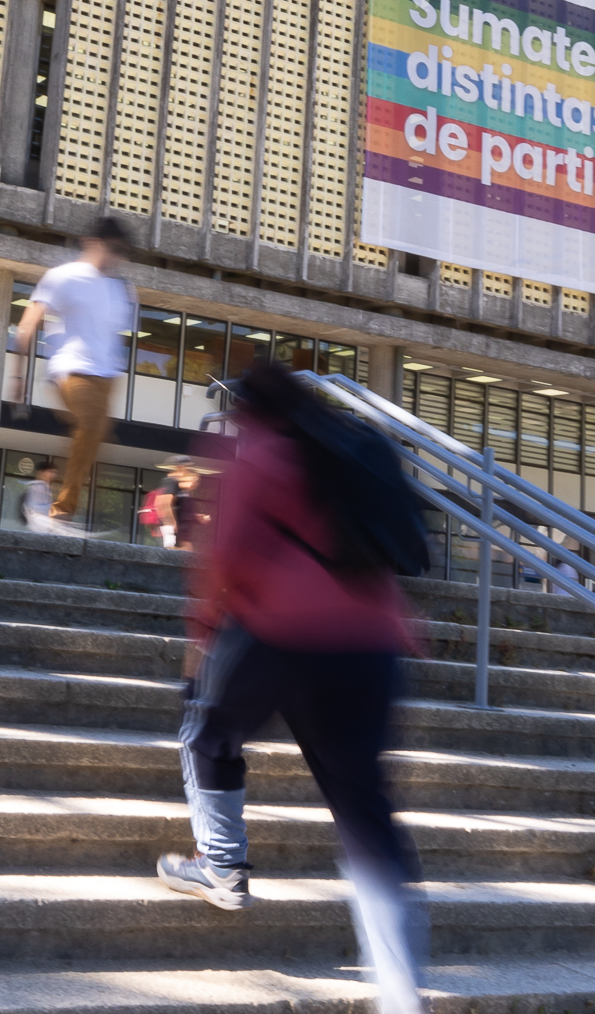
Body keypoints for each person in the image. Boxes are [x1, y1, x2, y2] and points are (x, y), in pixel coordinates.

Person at [158, 359, 425, 1012]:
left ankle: (220, 865)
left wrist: (202, 634)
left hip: (282, 635)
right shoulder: (347, 448)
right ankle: (398, 988)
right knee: (362, 808)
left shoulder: (262, 451)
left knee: (205, 729)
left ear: (248, 408)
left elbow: (224, 555)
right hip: (373, 643)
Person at [11, 217, 135, 529]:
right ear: (94, 243)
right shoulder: (62, 276)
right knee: (92, 426)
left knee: (99, 436)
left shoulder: (121, 289)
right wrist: (19, 378)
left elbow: (116, 338)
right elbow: (27, 326)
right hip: (70, 370)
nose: (118, 258)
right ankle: (63, 510)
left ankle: (76, 509)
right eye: (115, 250)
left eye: (123, 252)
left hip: (107, 376)